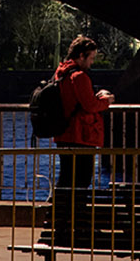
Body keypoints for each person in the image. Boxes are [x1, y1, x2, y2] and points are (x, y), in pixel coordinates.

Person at [51, 35, 113, 245]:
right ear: (81, 56)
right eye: (91, 58)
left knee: (66, 179)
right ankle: (79, 224)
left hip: (64, 134)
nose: (92, 62)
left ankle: (60, 224)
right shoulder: (79, 76)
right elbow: (89, 105)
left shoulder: (61, 73)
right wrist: (106, 100)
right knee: (81, 181)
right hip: (81, 136)